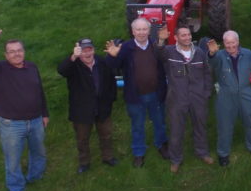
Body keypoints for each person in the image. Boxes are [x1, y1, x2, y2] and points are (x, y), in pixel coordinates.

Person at [0, 25, 48, 191]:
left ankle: (36, 177)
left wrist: (45, 113)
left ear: (24, 52)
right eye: (11, 52)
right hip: (12, 124)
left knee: (39, 152)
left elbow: (40, 91)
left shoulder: (32, 67)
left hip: (36, 120)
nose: (16, 54)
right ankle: (16, 189)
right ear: (6, 55)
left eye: (19, 50)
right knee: (12, 160)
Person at [105, 18, 169, 168]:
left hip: (156, 94)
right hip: (135, 96)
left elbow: (164, 61)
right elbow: (113, 66)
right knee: (137, 125)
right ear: (133, 31)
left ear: (149, 31)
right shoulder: (126, 47)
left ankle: (161, 145)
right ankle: (139, 152)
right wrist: (112, 56)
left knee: (160, 122)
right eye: (138, 30)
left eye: (144, 29)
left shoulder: (155, 45)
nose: (141, 32)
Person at [156, 26, 213, 173]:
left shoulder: (199, 52)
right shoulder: (169, 52)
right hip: (177, 98)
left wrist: (206, 92)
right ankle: (176, 159)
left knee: (200, 126)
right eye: (183, 35)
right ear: (176, 38)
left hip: (197, 97)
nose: (187, 37)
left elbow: (207, 73)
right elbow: (158, 53)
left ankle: (202, 152)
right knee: (176, 130)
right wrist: (161, 40)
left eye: (188, 35)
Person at [57, 38, 118, 174]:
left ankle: (108, 157)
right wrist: (73, 57)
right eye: (84, 51)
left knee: (106, 135)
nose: (87, 53)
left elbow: (111, 81)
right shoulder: (73, 65)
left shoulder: (101, 62)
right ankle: (84, 162)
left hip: (102, 108)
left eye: (89, 50)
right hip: (82, 110)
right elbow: (61, 70)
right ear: (79, 52)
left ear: (93, 50)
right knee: (82, 138)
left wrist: (110, 100)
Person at [208, 30, 251, 166]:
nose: (230, 46)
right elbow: (211, 64)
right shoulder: (219, 56)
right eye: (227, 43)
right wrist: (211, 54)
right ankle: (223, 153)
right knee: (224, 126)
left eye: (233, 42)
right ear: (223, 43)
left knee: (250, 122)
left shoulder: (248, 54)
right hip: (226, 95)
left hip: (246, 94)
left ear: (238, 42)